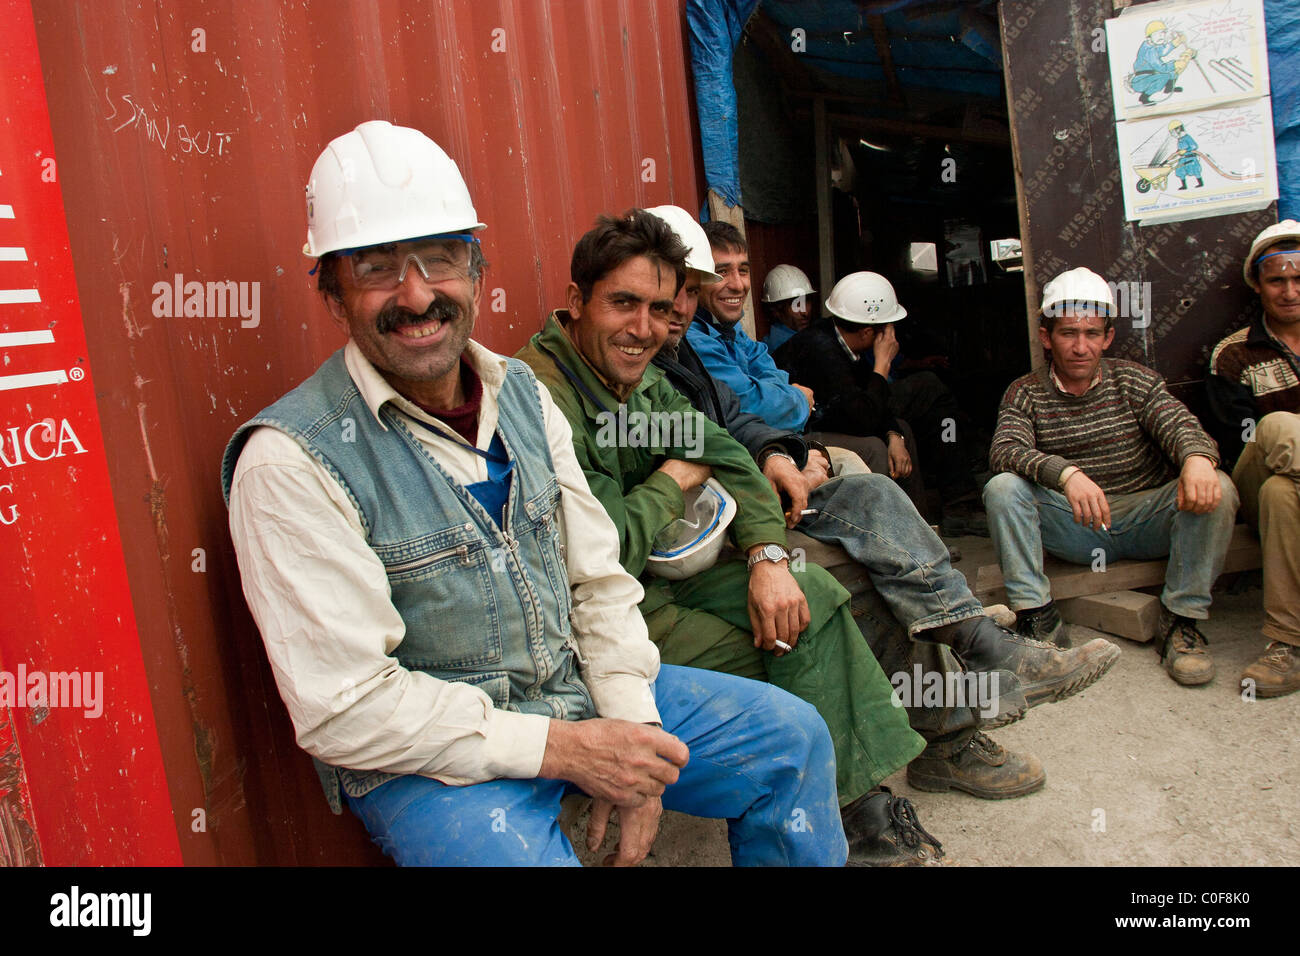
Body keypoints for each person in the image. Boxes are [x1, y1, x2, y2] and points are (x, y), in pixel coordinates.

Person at [220, 120, 851, 867]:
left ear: (477, 269)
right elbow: (346, 707)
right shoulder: (290, 462)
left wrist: (634, 736)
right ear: (331, 292)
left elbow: (598, 581)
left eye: (440, 257)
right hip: (432, 763)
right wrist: (563, 749)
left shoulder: (520, 395)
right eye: (375, 267)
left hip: (575, 694)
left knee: (790, 742)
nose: (417, 293)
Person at [517, 208, 955, 864]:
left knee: (807, 592)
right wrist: (672, 478)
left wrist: (769, 555)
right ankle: (844, 813)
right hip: (598, 614)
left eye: (660, 308)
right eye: (623, 304)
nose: (644, 329)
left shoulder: (633, 378)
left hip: (662, 579)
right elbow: (601, 552)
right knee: (789, 642)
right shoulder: (545, 399)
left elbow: (726, 454)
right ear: (576, 302)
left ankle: (855, 803)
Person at [645, 205, 1121, 800]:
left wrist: (781, 447)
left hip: (746, 491)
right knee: (874, 559)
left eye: (689, 291)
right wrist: (781, 448)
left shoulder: (688, 347)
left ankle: (980, 642)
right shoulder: (637, 363)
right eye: (675, 291)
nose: (678, 309)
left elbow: (742, 417)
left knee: (873, 493)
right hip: (706, 532)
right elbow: (738, 426)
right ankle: (950, 728)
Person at [984, 266, 1238, 686]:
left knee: (1219, 486)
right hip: (1077, 527)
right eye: (1068, 333)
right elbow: (1005, 451)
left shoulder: (1133, 381)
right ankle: (1038, 621)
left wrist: (1196, 457)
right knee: (1003, 489)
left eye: (1091, 334)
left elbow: (1182, 427)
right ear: (1047, 338)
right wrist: (1065, 474)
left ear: (1108, 337)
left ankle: (1180, 622)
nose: (1080, 347)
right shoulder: (1024, 392)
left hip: (1145, 519)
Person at [773, 271, 988, 535]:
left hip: (843, 417)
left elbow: (868, 400)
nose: (892, 335)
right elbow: (862, 418)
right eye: (887, 329)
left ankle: (922, 529)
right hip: (803, 433)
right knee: (885, 435)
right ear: (866, 332)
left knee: (905, 427)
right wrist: (883, 364)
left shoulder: (842, 340)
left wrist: (894, 434)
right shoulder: (822, 351)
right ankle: (907, 528)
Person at [1207, 219, 1300, 697]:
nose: (1289, 290)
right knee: (1278, 428)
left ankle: (1287, 645)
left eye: (1298, 278)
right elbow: (1237, 443)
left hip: (1286, 489)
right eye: (1277, 280)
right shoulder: (1234, 355)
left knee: (1286, 494)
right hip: (1253, 475)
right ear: (1258, 287)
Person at [760, 263, 817, 351]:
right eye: (796, 304)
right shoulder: (775, 349)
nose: (805, 312)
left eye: (806, 301)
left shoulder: (809, 336)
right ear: (776, 311)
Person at [1170, 121, 1204, 190]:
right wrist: (1177, 153)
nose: (1175, 131)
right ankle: (1184, 186)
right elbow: (1180, 148)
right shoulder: (1179, 139)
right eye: (1174, 130)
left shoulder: (1186, 137)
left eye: (1176, 129)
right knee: (1180, 170)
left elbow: (1194, 146)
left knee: (1195, 170)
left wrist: (1186, 150)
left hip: (1190, 157)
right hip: (1183, 158)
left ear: (1180, 128)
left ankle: (1200, 183)